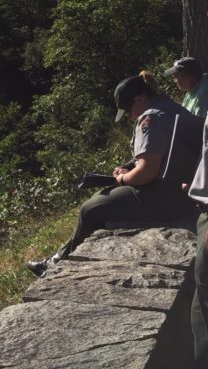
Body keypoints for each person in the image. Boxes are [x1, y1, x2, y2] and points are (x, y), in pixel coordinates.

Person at [29, 74, 203, 276]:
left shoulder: (151, 118)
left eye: (128, 110)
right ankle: (59, 258)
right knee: (105, 198)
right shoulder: (175, 109)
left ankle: (56, 265)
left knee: (91, 208)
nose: (129, 116)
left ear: (140, 99)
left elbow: (147, 172)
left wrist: (122, 178)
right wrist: (131, 169)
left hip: (166, 199)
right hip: (186, 193)